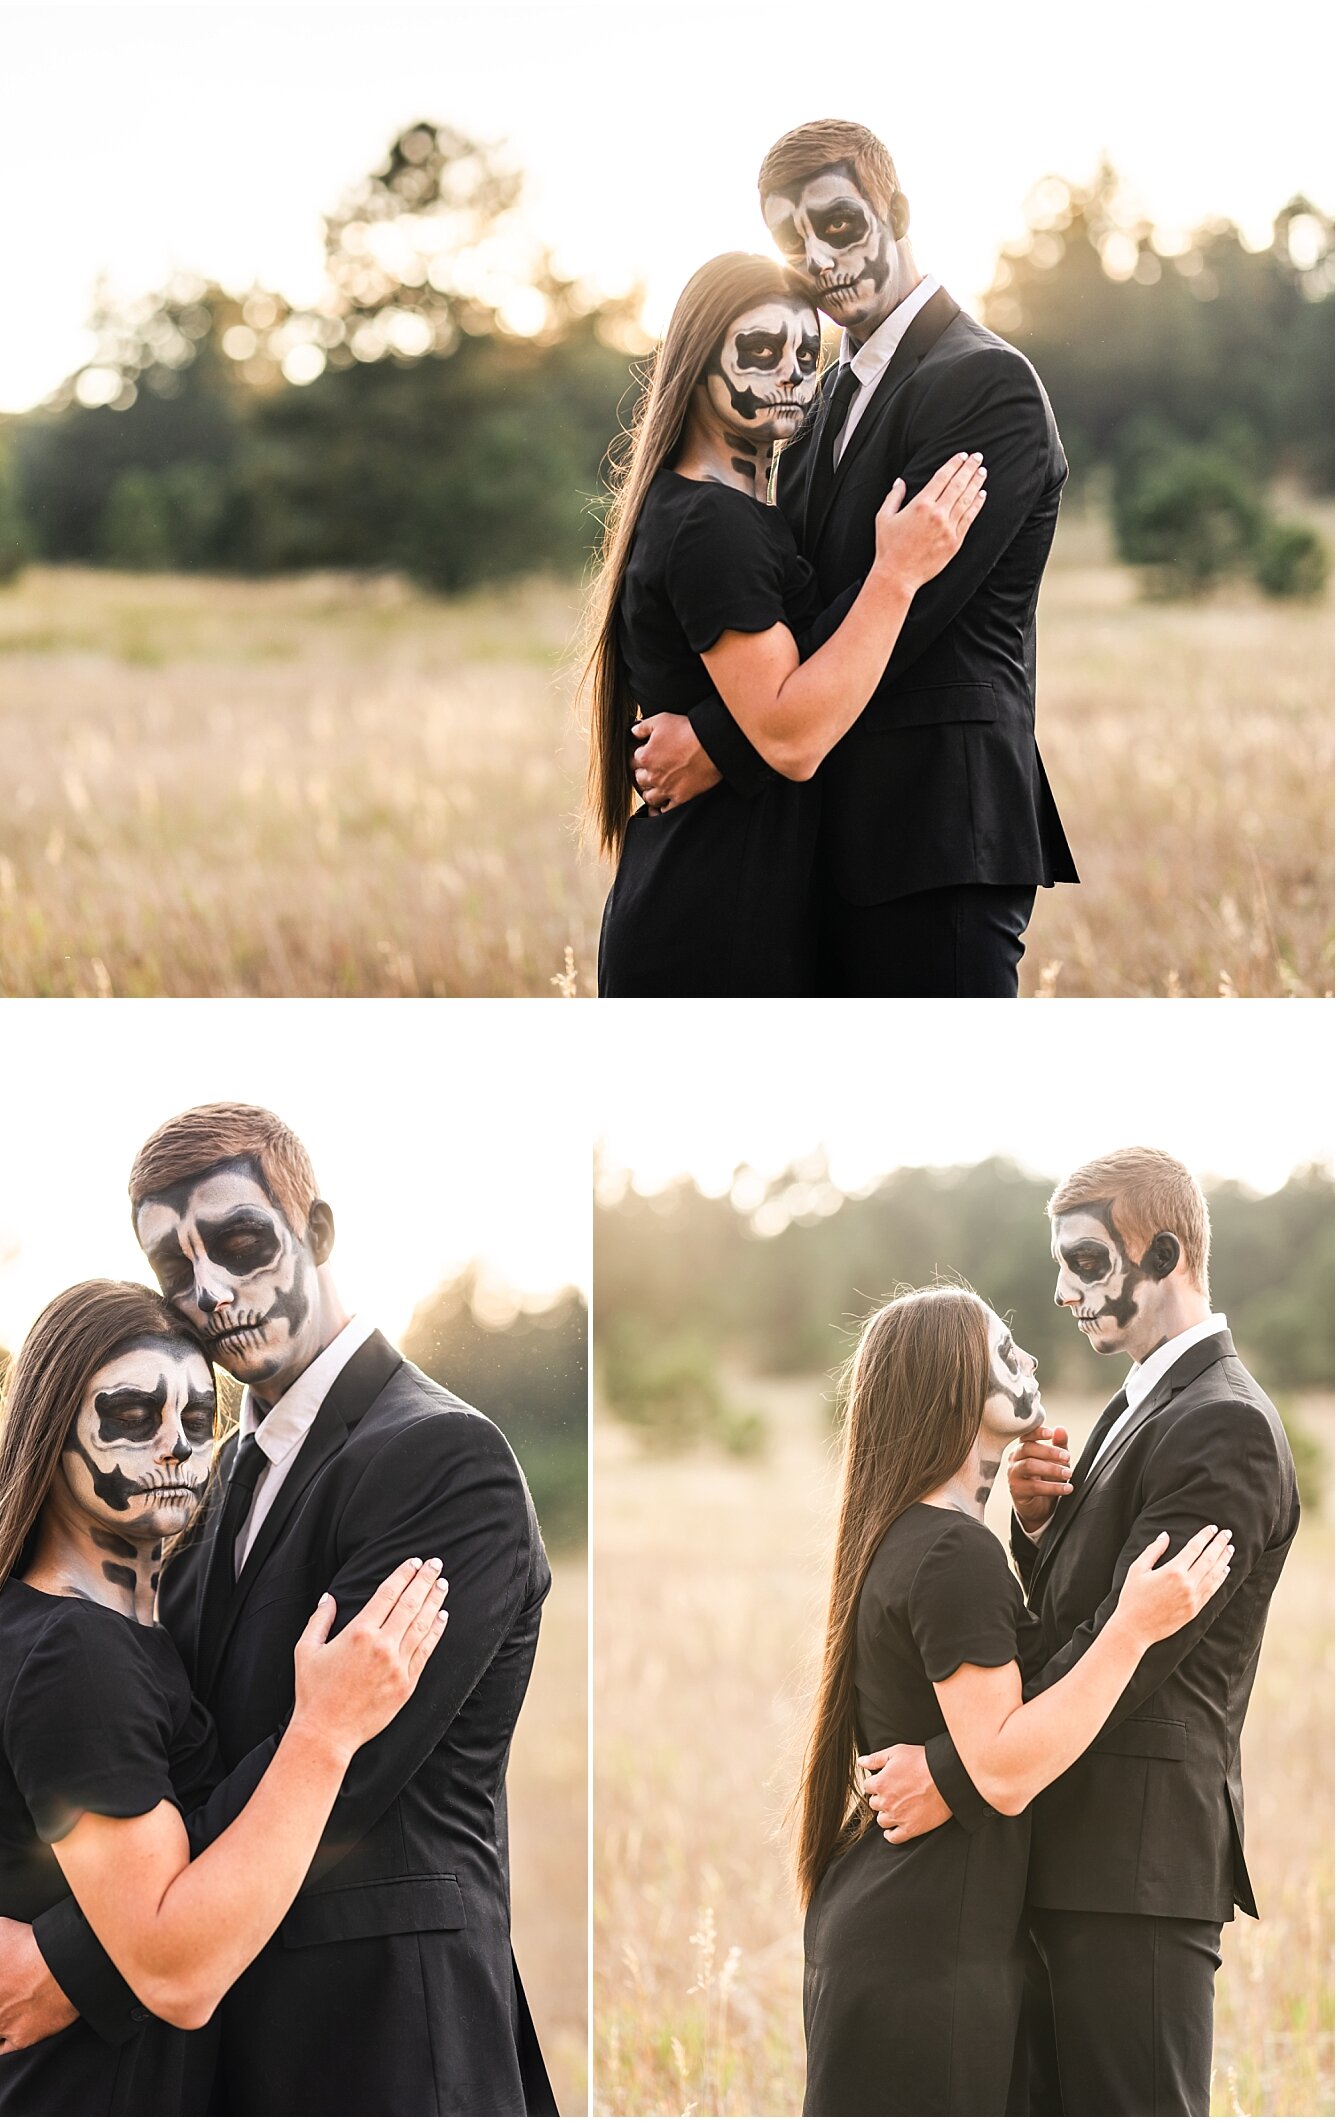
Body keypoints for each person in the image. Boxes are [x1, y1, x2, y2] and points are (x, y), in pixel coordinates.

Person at [0, 1104, 556, 2117]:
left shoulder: (445, 1459)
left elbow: (342, 1774)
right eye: (175, 1268)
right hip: (219, 2042)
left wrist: (78, 1961)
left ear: (315, 1233)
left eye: (240, 1243)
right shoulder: (196, 1479)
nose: (211, 1290)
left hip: (384, 2044)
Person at [0, 1279, 444, 2116]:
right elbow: (177, 1970)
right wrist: (326, 1732)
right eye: (130, 1416)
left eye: (198, 1421)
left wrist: (58, 1962)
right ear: (49, 1433)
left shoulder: (122, 1629)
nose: (176, 1448)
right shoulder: (73, 1651)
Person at [858, 1151, 1300, 2116]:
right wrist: (1043, 1533)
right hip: (1067, 1851)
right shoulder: (1142, 1401)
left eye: (1087, 1262)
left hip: (1132, 1873)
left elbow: (1143, 1645)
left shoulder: (1224, 1425)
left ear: (1168, 1252)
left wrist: (959, 1767)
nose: (1064, 1292)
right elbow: (1097, 1612)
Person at [631, 120, 1078, 997]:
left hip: (935, 831)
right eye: (791, 236)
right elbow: (792, 599)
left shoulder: (988, 384)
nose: (817, 254)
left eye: (837, 223)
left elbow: (909, 604)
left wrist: (725, 741)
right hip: (820, 833)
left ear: (896, 210)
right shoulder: (816, 394)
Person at [799, 1285, 1232, 2117]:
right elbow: (1001, 1767)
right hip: (927, 1950)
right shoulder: (951, 1551)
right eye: (1004, 1349)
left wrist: (1033, 1531)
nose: (1028, 1358)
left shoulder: (919, 1534)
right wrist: (1132, 1629)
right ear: (950, 1381)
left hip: (904, 1935)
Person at [587, 249, 987, 997]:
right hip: (711, 925)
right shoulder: (713, 523)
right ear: (699, 359)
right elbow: (791, 736)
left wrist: (709, 739)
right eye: (763, 351)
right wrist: (897, 574)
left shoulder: (735, 512)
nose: (793, 372)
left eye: (809, 352)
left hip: (733, 903)